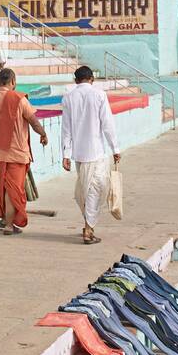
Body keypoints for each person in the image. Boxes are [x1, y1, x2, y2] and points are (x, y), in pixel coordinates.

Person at [0, 67, 48, 235]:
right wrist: (43, 134)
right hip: (16, 152)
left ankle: (5, 219)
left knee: (2, 186)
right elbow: (33, 121)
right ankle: (8, 224)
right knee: (13, 189)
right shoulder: (20, 100)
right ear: (13, 82)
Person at [60, 66, 120, 244]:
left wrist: (66, 153)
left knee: (87, 191)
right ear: (92, 79)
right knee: (95, 190)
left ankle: (89, 224)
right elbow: (108, 124)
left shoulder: (68, 97)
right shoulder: (99, 95)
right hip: (96, 152)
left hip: (79, 154)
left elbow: (66, 129)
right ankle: (88, 228)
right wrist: (115, 148)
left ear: (76, 80)